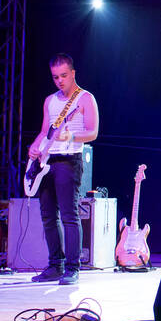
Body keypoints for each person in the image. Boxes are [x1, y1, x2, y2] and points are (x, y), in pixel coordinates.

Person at [28, 53, 99, 285]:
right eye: (55, 77)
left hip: (69, 160)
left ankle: (72, 267)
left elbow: (93, 132)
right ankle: (55, 265)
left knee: (69, 215)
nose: (59, 81)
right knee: (48, 215)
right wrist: (34, 146)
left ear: (73, 73)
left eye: (64, 76)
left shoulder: (85, 98)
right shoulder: (50, 100)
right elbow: (44, 131)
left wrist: (71, 135)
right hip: (47, 161)